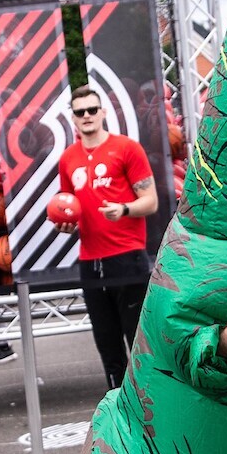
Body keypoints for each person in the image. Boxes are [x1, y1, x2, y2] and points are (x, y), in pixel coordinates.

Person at [58, 84, 159, 391]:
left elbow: (151, 201)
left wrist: (125, 209)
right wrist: (66, 225)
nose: (87, 116)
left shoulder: (127, 148)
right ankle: (116, 407)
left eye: (92, 109)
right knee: (107, 345)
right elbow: (68, 207)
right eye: (80, 112)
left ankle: (149, 407)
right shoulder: (67, 159)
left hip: (127, 258)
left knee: (139, 342)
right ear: (73, 119)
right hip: (90, 262)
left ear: (103, 112)